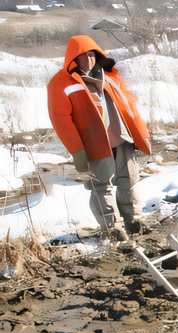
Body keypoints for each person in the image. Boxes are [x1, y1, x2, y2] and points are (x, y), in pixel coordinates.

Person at [47, 36, 151, 240]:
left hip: (122, 139)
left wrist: (141, 133)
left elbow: (129, 104)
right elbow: (61, 120)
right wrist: (77, 151)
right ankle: (111, 229)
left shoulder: (111, 75)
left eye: (93, 54)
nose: (90, 59)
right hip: (95, 146)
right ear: (73, 58)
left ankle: (133, 221)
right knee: (102, 185)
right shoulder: (60, 83)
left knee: (127, 181)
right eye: (85, 55)